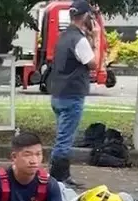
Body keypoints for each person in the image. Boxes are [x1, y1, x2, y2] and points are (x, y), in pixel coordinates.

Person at [47, 0, 99, 186]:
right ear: (85, 16)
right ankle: (56, 179)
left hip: (58, 94)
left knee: (62, 135)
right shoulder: (79, 39)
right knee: (64, 139)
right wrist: (96, 38)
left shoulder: (63, 37)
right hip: (72, 95)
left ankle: (62, 176)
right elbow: (93, 63)